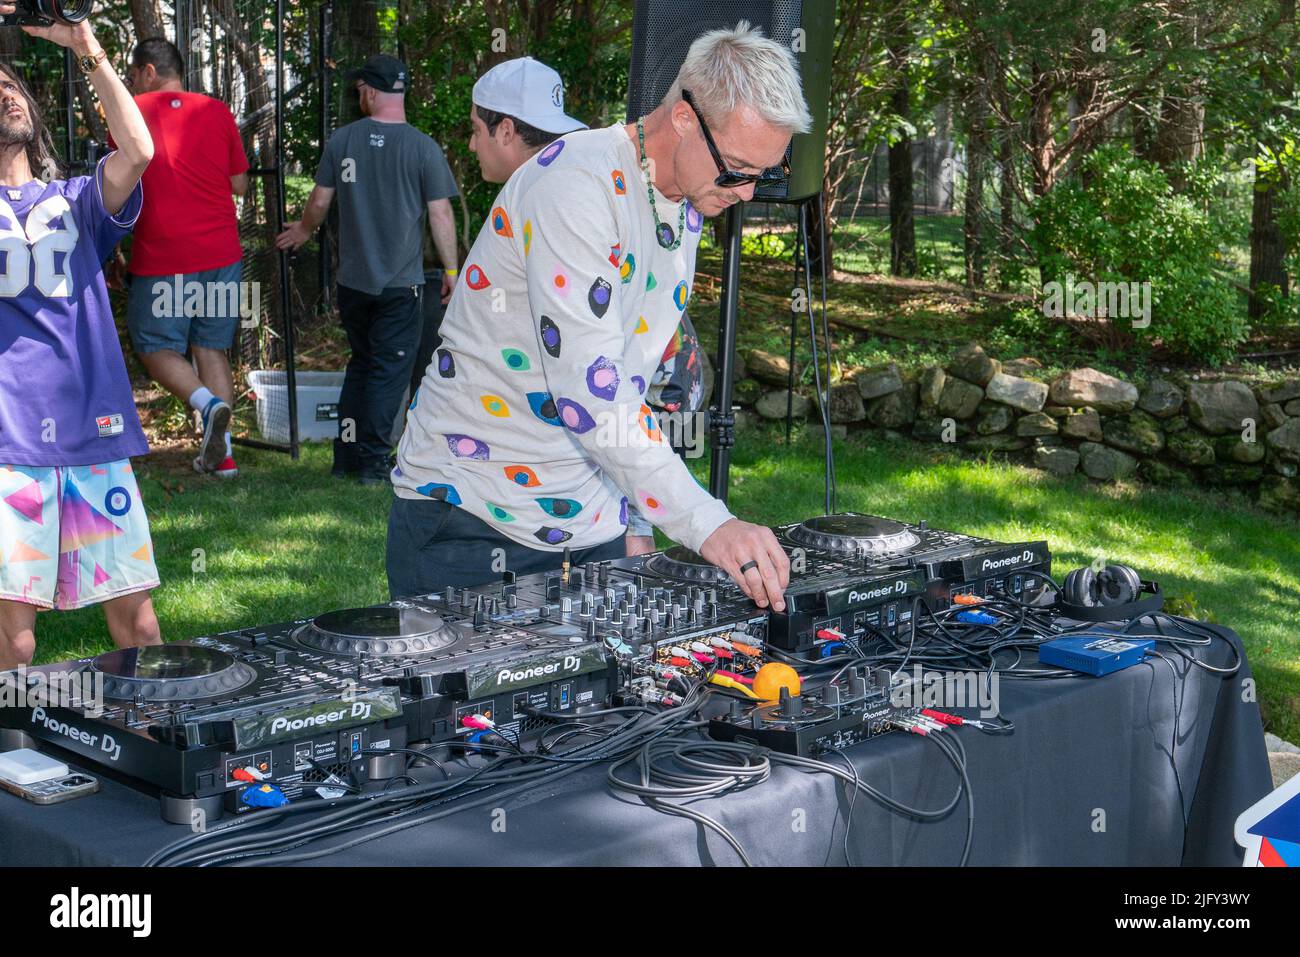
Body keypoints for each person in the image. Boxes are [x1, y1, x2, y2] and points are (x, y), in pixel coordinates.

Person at [388, 22, 808, 611]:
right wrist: (706, 522)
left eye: (762, 175)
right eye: (737, 168)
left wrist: (632, 517)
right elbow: (590, 392)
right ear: (684, 117)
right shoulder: (574, 184)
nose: (745, 193)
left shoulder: (683, 204)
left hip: (589, 528)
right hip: (471, 518)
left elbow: (626, 379)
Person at [468, 56, 703, 559]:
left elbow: (647, 378)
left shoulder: (614, 195)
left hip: (590, 511)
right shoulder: (572, 187)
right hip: (494, 509)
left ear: (505, 129)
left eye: (474, 131)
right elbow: (601, 383)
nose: (471, 145)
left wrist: (638, 515)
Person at [0, 9, 161, 669]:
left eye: (11, 85)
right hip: (7, 452)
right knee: (13, 643)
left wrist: (86, 45)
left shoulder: (76, 201)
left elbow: (140, 152)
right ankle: (13, 766)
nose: (6, 92)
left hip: (94, 449)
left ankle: (159, 749)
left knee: (141, 630)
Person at [276, 55, 460, 485]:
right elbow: (441, 216)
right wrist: (451, 269)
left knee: (361, 365)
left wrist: (304, 229)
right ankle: (374, 463)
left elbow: (319, 203)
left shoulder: (344, 142)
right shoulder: (422, 147)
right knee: (387, 372)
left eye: (360, 91)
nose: (359, 97)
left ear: (373, 92)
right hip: (400, 285)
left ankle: (346, 457)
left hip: (353, 285)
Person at [119, 38, 249, 479]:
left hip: (163, 254)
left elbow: (118, 178)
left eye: (134, 75)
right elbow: (240, 184)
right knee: (211, 347)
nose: (133, 83)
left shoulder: (130, 109)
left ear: (148, 72)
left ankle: (208, 406)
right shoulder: (216, 110)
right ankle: (223, 457)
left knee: (154, 349)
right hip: (221, 251)